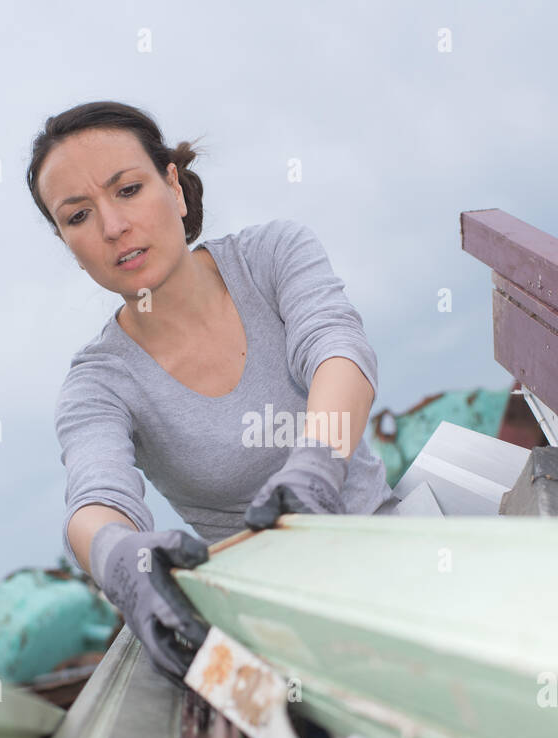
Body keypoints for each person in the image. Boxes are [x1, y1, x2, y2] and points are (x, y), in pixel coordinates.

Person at [28, 101, 392, 681]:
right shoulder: (97, 384)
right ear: (66, 242)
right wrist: (118, 557)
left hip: (395, 550)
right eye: (78, 217)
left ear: (172, 185)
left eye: (128, 189)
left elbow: (338, 349)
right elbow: (96, 498)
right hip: (280, 629)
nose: (113, 227)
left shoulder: (271, 256)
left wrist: (318, 463)